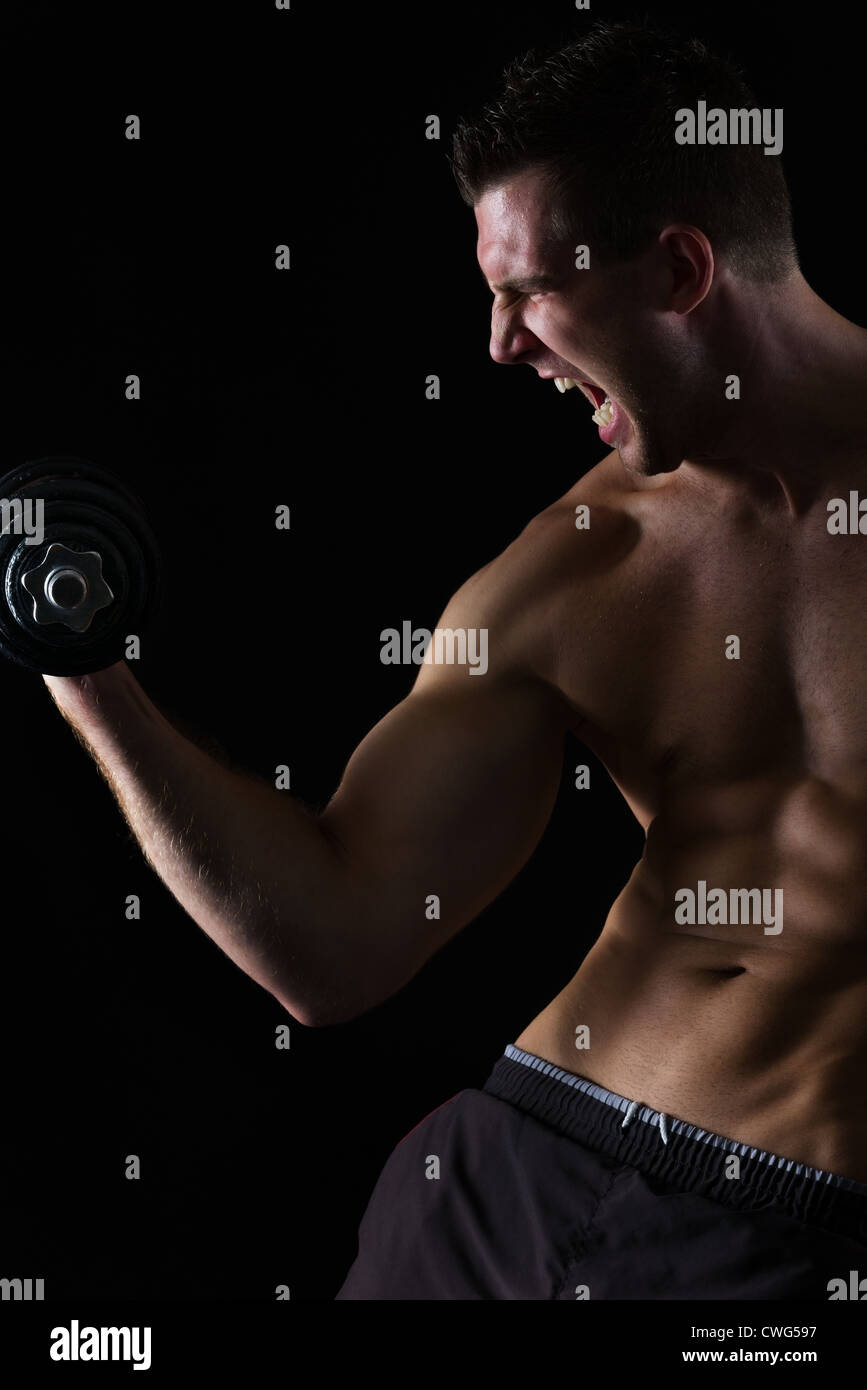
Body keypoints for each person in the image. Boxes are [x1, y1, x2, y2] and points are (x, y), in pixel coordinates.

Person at [45, 21, 867, 1299]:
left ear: (683, 269)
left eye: (529, 290)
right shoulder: (569, 576)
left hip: (781, 1251)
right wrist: (83, 669)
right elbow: (331, 943)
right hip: (503, 1191)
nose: (500, 344)